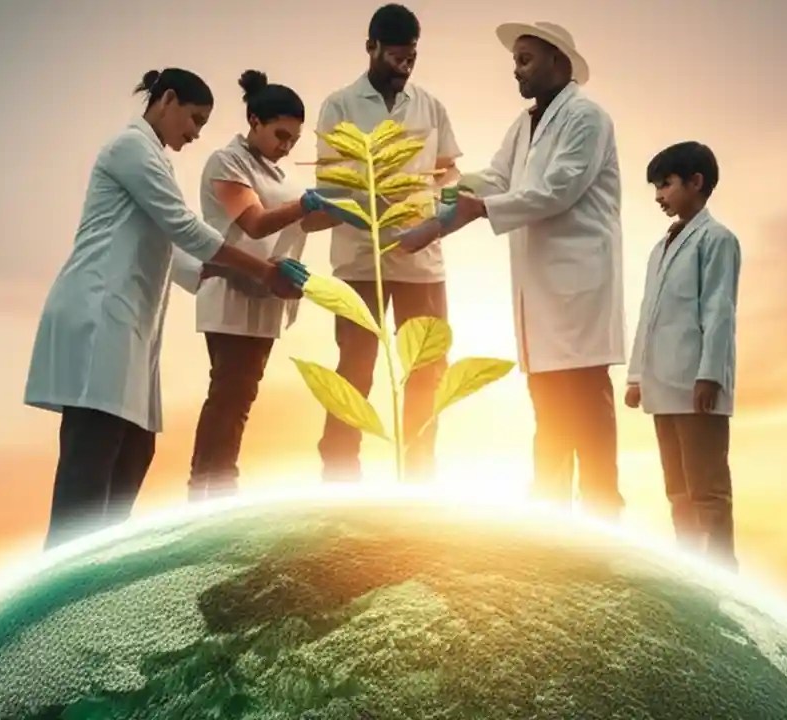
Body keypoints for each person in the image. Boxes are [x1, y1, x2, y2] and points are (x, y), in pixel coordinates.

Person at [24, 67, 332, 549]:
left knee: (135, 452)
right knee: (92, 463)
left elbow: (179, 252)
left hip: (129, 322)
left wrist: (228, 271)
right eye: (193, 119)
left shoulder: (156, 160)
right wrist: (261, 273)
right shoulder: (130, 149)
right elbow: (185, 227)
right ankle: (57, 593)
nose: (194, 133)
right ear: (166, 100)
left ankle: (93, 576)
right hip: (99, 312)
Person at [399, 21, 626, 519]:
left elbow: (557, 190)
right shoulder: (523, 124)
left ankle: (603, 518)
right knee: (547, 406)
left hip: (578, 286)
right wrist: (430, 194)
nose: (516, 71)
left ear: (558, 63)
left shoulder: (587, 118)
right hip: (541, 292)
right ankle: (551, 517)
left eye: (525, 60)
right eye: (515, 61)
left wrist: (479, 209)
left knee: (586, 405)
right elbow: (496, 178)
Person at [187, 70, 359, 502]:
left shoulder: (282, 175)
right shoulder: (226, 162)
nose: (285, 147)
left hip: (268, 298)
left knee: (242, 395)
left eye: (293, 142)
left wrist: (348, 206)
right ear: (254, 121)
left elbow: (307, 217)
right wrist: (303, 204)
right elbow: (256, 222)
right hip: (230, 292)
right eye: (280, 135)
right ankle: (208, 486)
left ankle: (219, 480)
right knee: (228, 391)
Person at [314, 3, 463, 484]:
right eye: (395, 58)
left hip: (424, 264)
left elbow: (452, 169)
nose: (404, 68)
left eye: (411, 59)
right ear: (371, 48)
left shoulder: (430, 105)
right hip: (362, 263)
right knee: (355, 372)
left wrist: (443, 212)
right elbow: (332, 185)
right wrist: (384, 216)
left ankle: (418, 477)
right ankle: (340, 474)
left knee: (427, 372)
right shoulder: (339, 104)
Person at [626, 141, 741, 569]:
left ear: (696, 182)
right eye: (656, 187)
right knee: (677, 488)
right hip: (663, 386)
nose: (659, 195)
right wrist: (636, 376)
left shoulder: (717, 240)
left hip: (696, 387)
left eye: (666, 184)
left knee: (707, 488)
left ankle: (724, 578)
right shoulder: (662, 247)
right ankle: (691, 571)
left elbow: (719, 309)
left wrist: (710, 374)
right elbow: (647, 316)